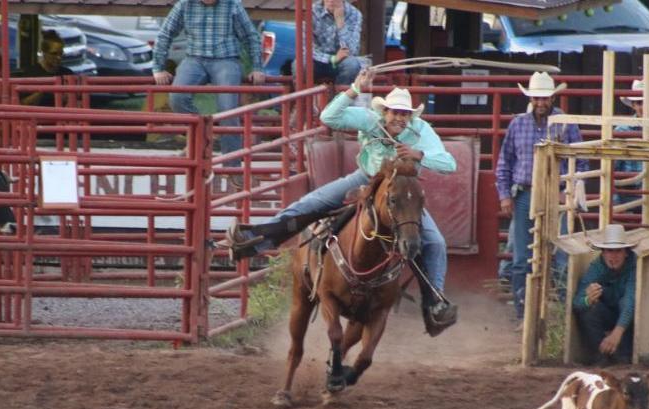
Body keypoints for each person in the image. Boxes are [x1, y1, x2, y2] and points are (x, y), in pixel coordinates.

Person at [223, 68, 459, 336]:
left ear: (410, 117)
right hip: (366, 179)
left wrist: (420, 155)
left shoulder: (420, 130)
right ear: (385, 112)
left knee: (434, 242)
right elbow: (329, 117)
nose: (399, 118)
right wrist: (355, 89)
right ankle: (255, 239)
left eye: (404, 114)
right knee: (312, 203)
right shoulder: (370, 120)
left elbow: (449, 164)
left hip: (401, 192)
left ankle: (434, 303)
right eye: (395, 112)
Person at [495, 72, 588, 321]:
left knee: (563, 256)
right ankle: (524, 314)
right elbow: (505, 162)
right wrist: (505, 196)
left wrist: (569, 190)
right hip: (525, 192)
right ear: (531, 99)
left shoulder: (565, 123)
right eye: (536, 98)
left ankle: (564, 316)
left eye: (544, 98)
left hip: (558, 193)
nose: (540, 102)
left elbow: (581, 160)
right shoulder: (518, 124)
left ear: (552, 98)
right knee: (522, 258)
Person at [152, 0, 265, 162]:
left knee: (228, 109)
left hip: (226, 59)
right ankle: (202, 136)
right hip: (194, 58)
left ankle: (231, 165)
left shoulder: (232, 5)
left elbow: (250, 36)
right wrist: (158, 68)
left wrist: (257, 68)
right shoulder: (184, 5)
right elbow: (165, 34)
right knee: (177, 97)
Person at [572, 224, 637, 366]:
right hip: (607, 315)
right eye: (609, 251)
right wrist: (588, 300)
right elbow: (576, 303)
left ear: (626, 253)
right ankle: (599, 357)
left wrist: (617, 333)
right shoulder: (596, 267)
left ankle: (623, 356)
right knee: (589, 310)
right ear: (603, 253)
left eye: (618, 251)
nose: (613, 256)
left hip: (627, 320)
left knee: (632, 308)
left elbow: (629, 302)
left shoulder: (634, 266)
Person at [614, 79, 649, 205]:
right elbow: (613, 165)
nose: (644, 107)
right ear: (633, 105)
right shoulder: (622, 130)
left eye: (648, 102)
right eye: (639, 103)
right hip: (629, 190)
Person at [312, 0, 363, 86]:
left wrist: (340, 24)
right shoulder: (312, 11)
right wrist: (332, 59)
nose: (331, 0)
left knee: (352, 65)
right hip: (317, 60)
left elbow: (352, 50)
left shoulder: (355, 14)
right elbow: (306, 49)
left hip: (341, 62)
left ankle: (341, 94)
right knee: (299, 64)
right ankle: (305, 94)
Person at [18, 30, 73, 107]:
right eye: (54, 53)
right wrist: (43, 91)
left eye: (61, 54)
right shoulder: (31, 73)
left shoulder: (67, 74)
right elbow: (24, 103)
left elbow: (77, 100)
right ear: (44, 52)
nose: (59, 57)